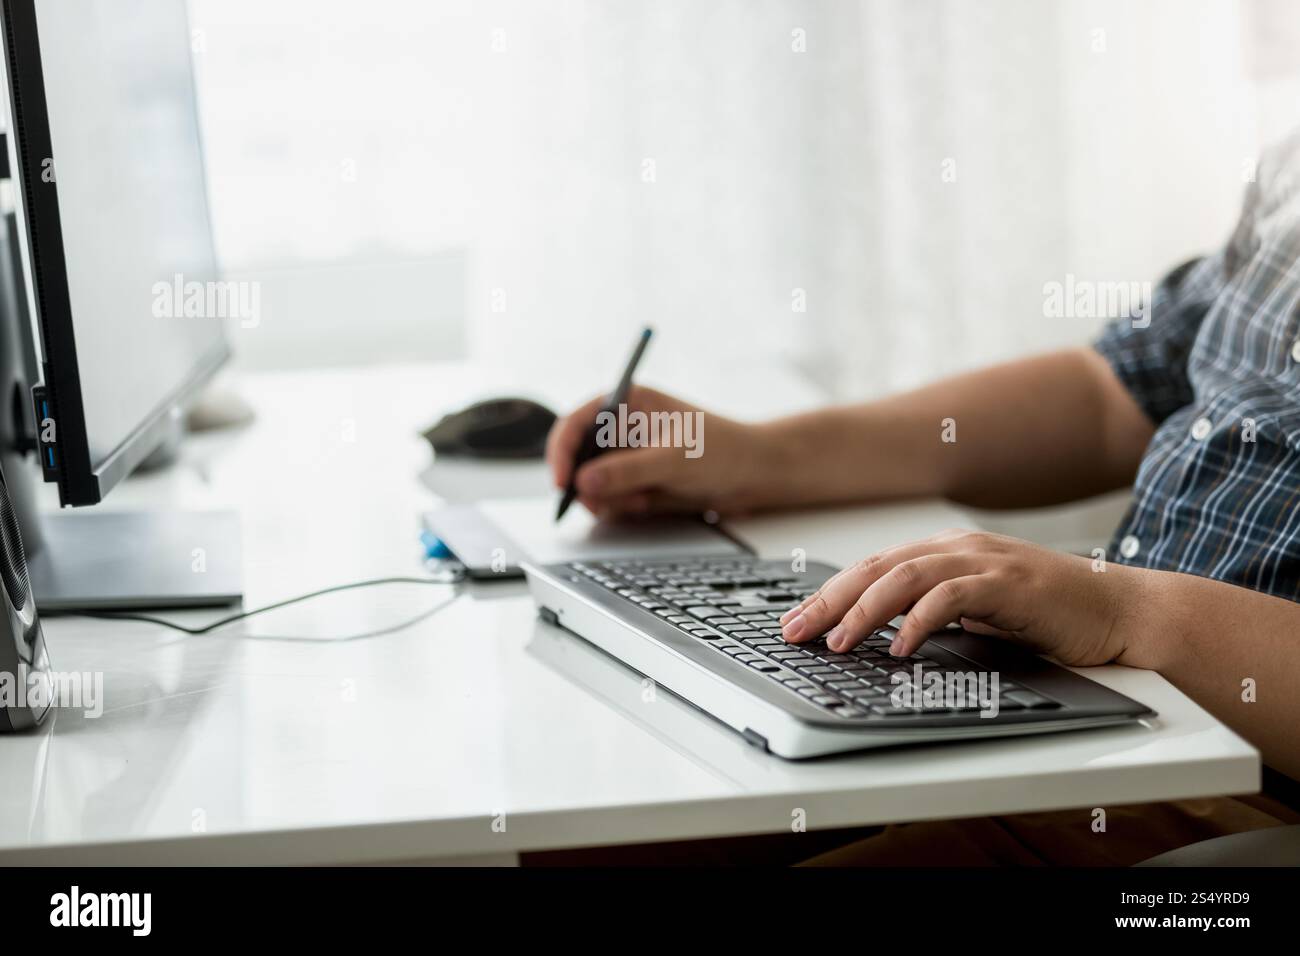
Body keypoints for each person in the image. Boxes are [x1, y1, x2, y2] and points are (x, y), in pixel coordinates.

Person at [543, 131, 1300, 865]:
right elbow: (1116, 397)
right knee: (581, 828)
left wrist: (1122, 612)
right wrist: (764, 458)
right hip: (1103, 708)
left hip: (1236, 791)